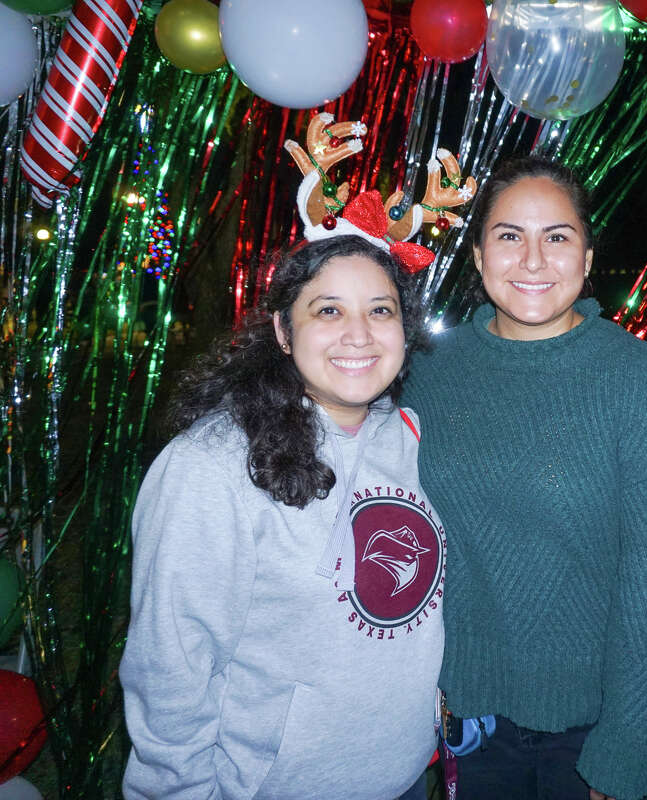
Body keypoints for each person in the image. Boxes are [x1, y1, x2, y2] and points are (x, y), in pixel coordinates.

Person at [403, 157, 647, 800]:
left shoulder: (635, 377)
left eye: (557, 237)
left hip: (591, 722)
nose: (533, 260)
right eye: (509, 236)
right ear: (479, 257)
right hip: (464, 713)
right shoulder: (428, 373)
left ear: (588, 257)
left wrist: (628, 736)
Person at [120, 234, 445, 800]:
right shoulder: (212, 465)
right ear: (282, 331)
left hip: (407, 778)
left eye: (380, 310)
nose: (359, 334)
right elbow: (170, 669)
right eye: (328, 310)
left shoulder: (411, 437)